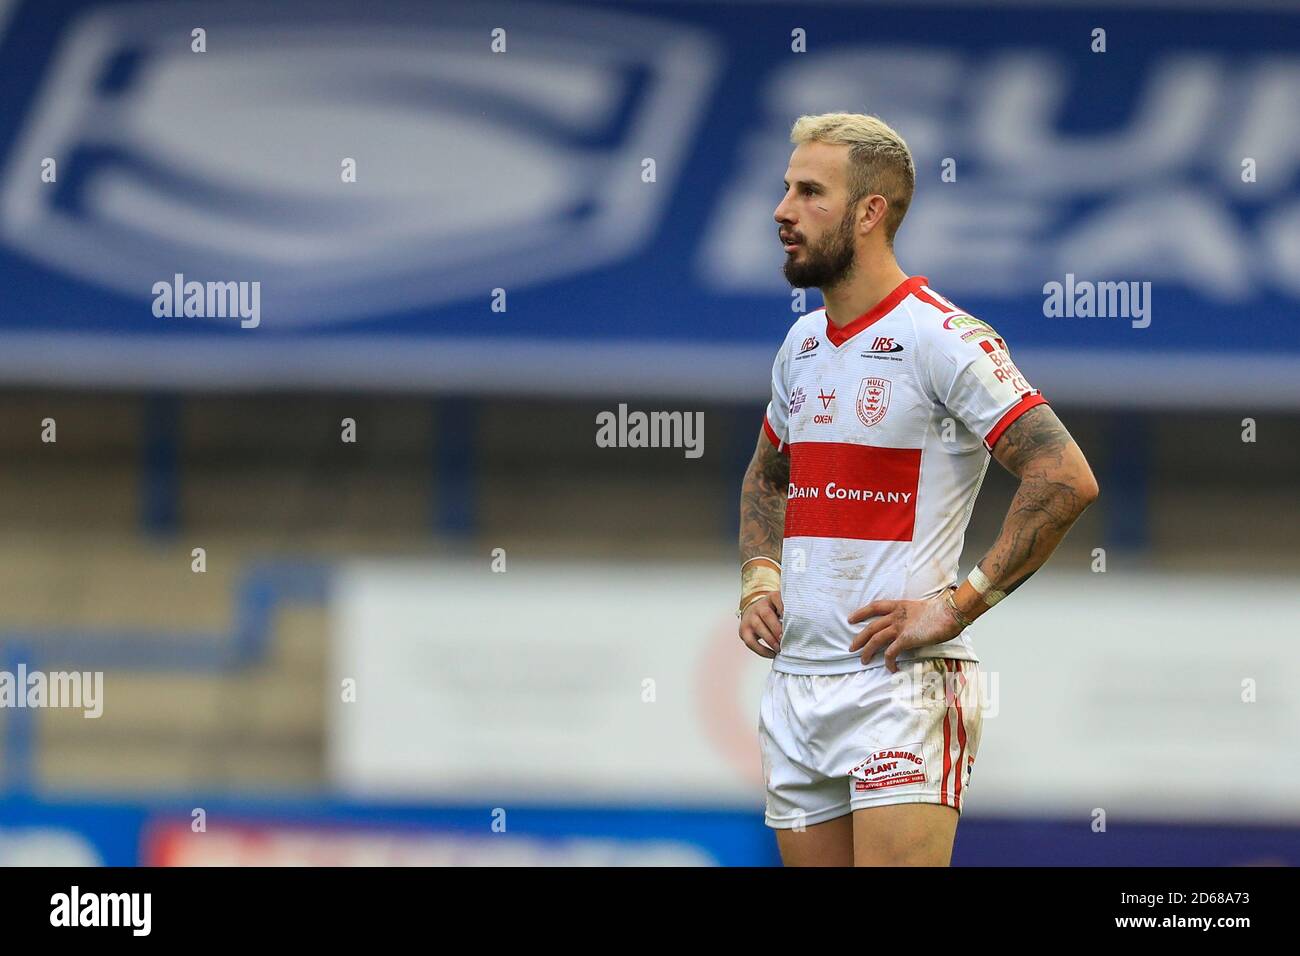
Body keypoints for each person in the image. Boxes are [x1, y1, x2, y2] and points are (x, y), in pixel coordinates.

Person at [737, 112, 1099, 866]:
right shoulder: (801, 345)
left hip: (901, 690)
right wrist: (758, 577)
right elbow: (769, 474)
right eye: (785, 189)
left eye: (810, 192)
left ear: (870, 212)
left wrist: (958, 604)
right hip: (799, 684)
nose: (782, 210)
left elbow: (1063, 476)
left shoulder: (944, 338)